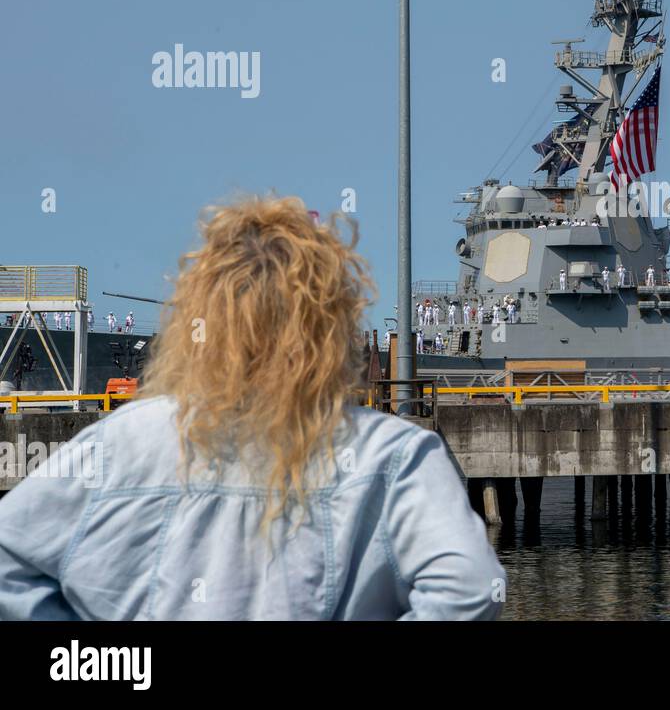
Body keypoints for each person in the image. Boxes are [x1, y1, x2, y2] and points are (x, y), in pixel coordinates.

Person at [0, 195, 503, 620]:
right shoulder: (395, 456)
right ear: (328, 322)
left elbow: (10, 559)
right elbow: (474, 589)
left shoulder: (119, 444)